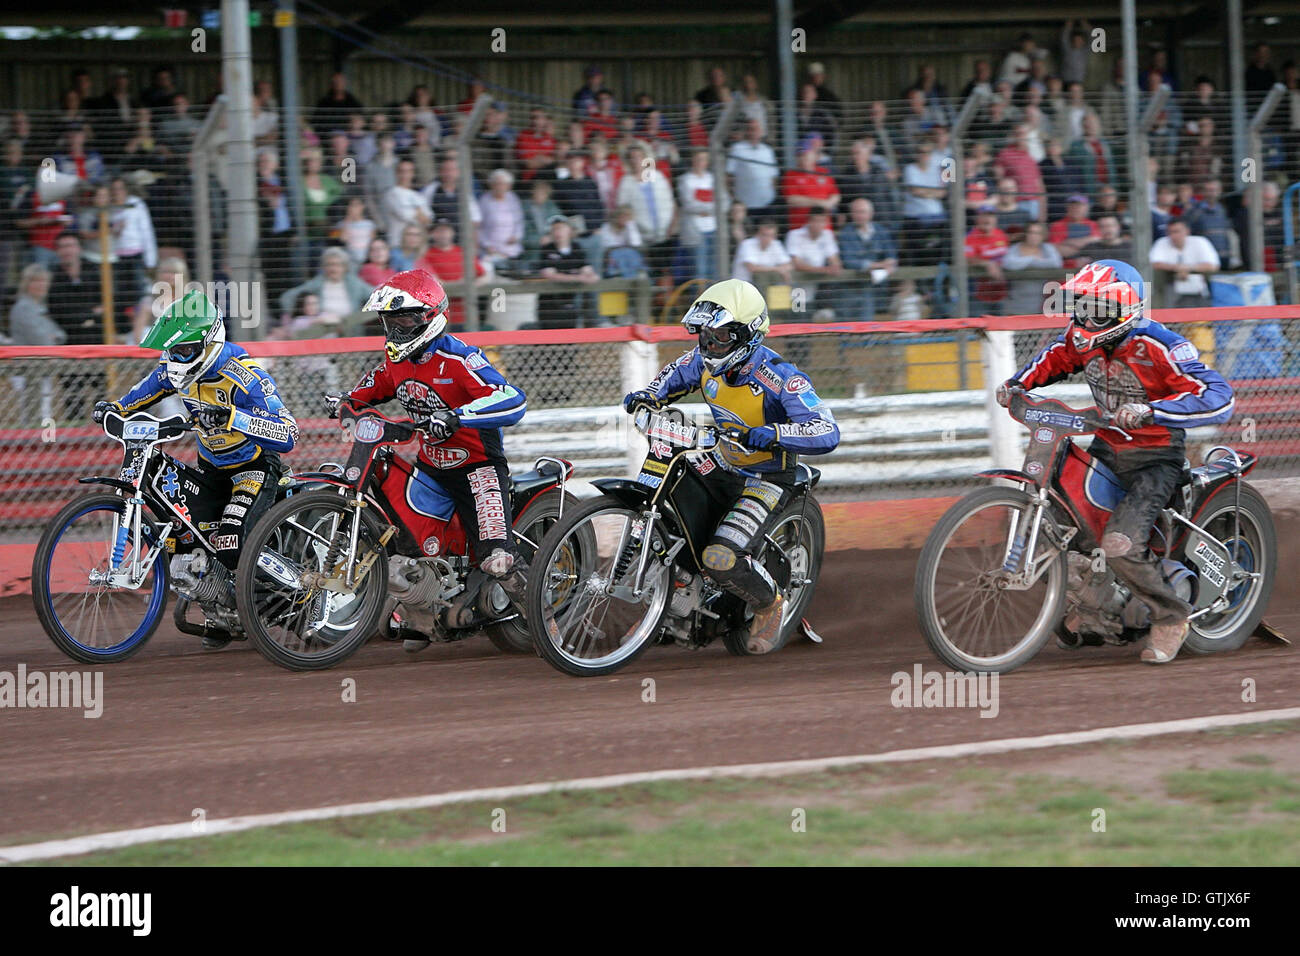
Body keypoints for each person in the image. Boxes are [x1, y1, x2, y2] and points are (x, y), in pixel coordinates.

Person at [996, 259, 1234, 664]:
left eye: (1098, 309)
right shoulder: (1079, 337)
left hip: (1155, 458)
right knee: (1069, 517)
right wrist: (1017, 384)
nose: (1087, 318)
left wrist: (1153, 412)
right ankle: (1092, 601)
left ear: (1125, 311)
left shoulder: (1160, 345)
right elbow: (1055, 358)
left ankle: (1172, 616)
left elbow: (1218, 395)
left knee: (1120, 544)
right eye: (1083, 307)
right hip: (1107, 446)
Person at [622, 279, 840, 653]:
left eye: (720, 338)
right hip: (722, 459)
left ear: (747, 335)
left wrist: (774, 432)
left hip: (767, 476)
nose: (709, 347)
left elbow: (827, 430)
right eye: (705, 336)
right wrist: (648, 396)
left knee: (721, 558)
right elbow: (673, 376)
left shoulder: (781, 377)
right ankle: (669, 605)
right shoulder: (700, 362)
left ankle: (769, 605)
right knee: (671, 509)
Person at [93, 291, 299, 641]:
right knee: (184, 538)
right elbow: (135, 397)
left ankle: (299, 592)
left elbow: (288, 432)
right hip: (211, 470)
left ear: (210, 342)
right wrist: (112, 407)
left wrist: (234, 416)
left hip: (254, 468)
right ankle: (222, 608)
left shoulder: (245, 373)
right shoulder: (174, 370)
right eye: (173, 351)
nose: (177, 359)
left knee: (231, 541)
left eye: (186, 351)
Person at [344, 269, 528, 648]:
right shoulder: (395, 360)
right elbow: (365, 391)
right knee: (405, 537)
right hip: (431, 465)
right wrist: (346, 405)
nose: (396, 329)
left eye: (405, 320)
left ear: (430, 316)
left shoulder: (460, 357)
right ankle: (423, 605)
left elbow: (512, 398)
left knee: (498, 560)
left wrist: (457, 416)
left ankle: (546, 619)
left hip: (478, 468)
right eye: (390, 321)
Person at [1149, 218, 1219, 309]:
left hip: (1198, 276)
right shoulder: (1161, 242)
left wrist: (1187, 268)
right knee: (1155, 275)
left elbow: (1213, 266)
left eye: (1176, 232)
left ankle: (1212, 309)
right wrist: (1178, 268)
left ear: (1187, 231)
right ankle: (1157, 310)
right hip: (1171, 277)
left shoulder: (1200, 242)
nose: (1173, 236)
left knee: (1211, 275)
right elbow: (1155, 264)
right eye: (1170, 232)